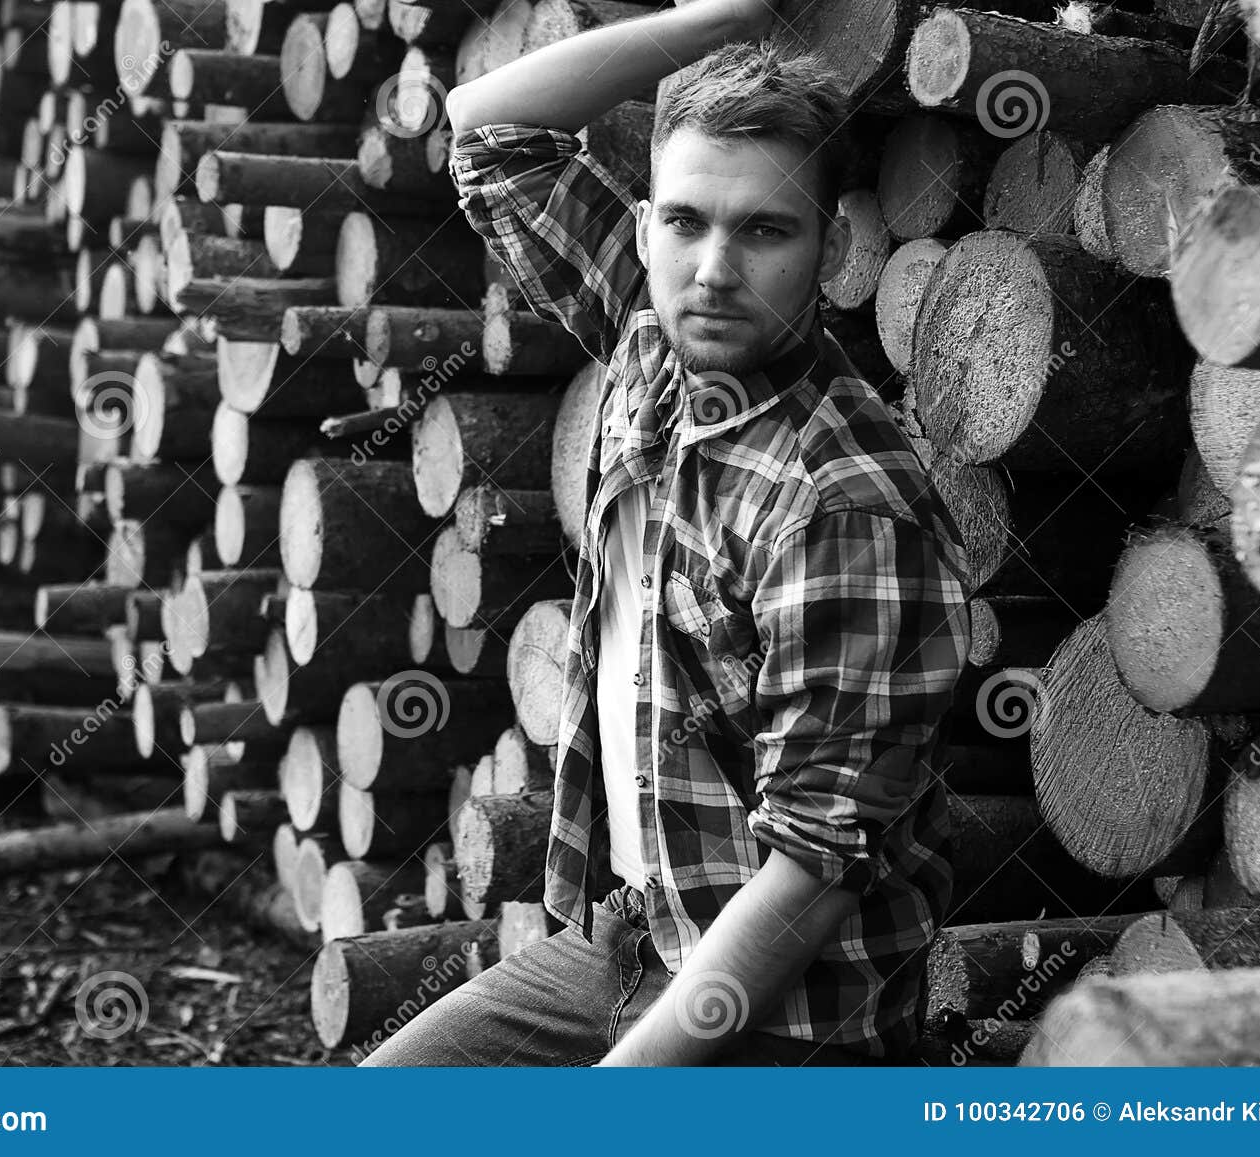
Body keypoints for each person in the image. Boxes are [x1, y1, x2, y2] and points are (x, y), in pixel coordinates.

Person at [361, 0, 972, 1067]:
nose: (716, 268)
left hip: (784, 1015)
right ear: (643, 226)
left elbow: (814, 864)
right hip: (628, 936)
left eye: (766, 229)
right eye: (686, 221)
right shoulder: (655, 345)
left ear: (828, 249)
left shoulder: (842, 503)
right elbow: (489, 127)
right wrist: (718, 21)